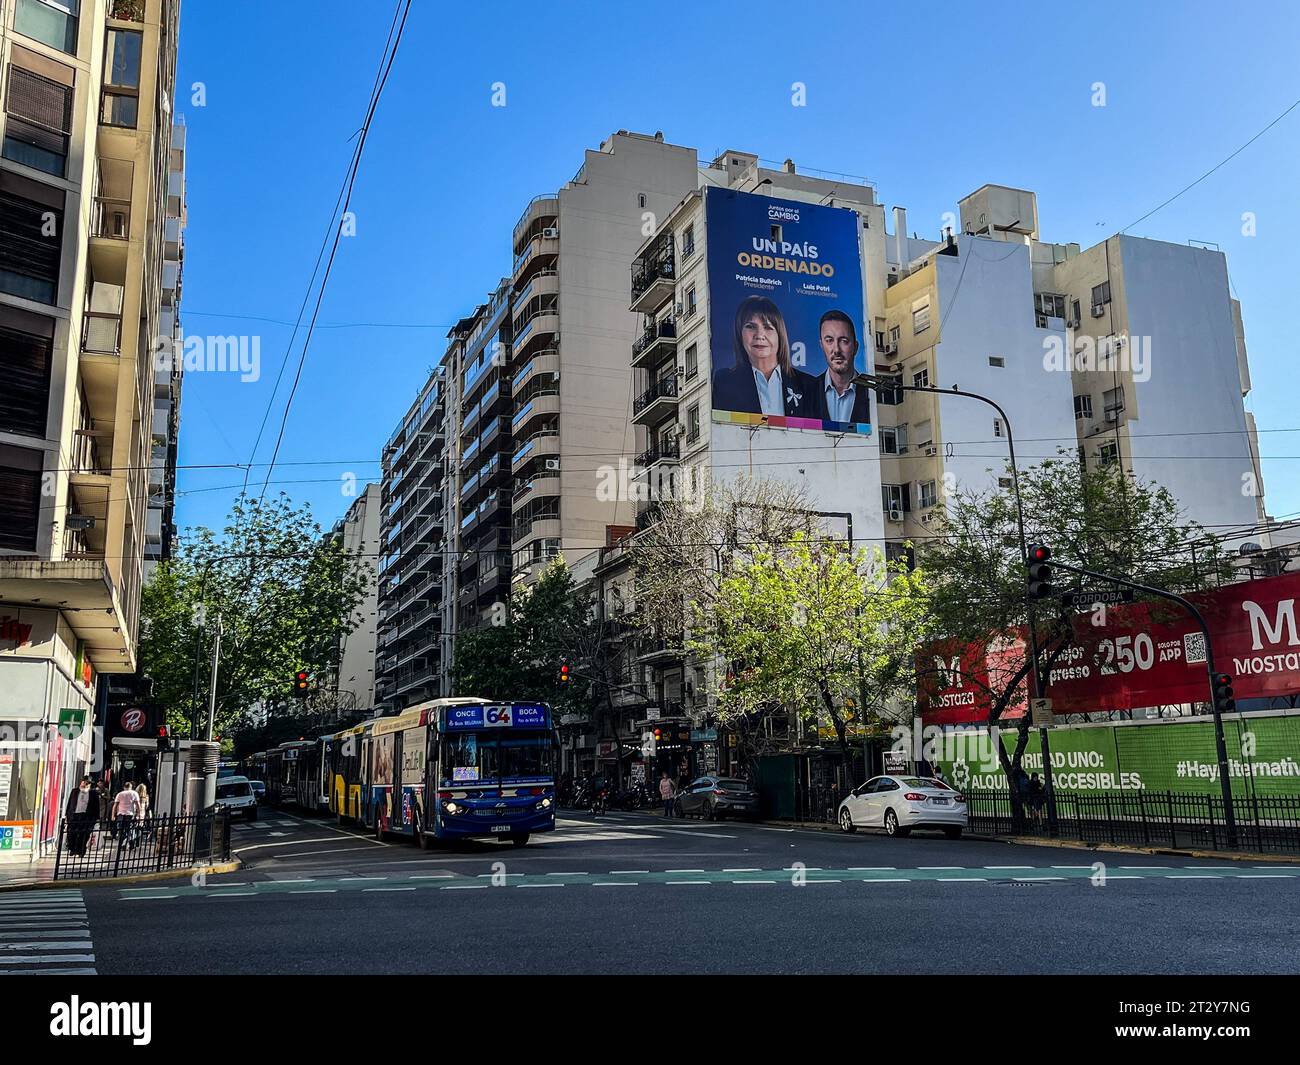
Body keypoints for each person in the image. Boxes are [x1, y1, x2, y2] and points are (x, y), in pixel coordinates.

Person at [711, 295, 821, 419]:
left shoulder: (809, 385)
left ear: (780, 335)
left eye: (768, 327)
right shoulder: (725, 382)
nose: (759, 335)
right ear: (739, 333)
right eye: (751, 327)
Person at [813, 310, 871, 424]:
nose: (836, 350)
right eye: (829, 341)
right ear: (821, 345)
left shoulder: (870, 392)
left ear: (855, 347)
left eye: (844, 341)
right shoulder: (808, 392)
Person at [64, 776, 99, 857]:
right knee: (71, 833)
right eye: (84, 782)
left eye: (87, 783)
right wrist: (67, 815)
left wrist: (96, 819)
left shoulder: (93, 794)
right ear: (81, 782)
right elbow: (70, 803)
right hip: (74, 815)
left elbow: (96, 807)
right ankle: (72, 849)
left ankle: (81, 850)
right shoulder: (75, 791)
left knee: (84, 834)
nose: (85, 785)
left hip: (86, 816)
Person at [112, 782, 141, 848]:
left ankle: (123, 843)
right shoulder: (134, 793)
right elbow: (138, 805)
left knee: (121, 829)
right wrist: (138, 814)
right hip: (130, 814)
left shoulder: (120, 794)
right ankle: (131, 841)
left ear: (124, 787)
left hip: (121, 813)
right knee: (130, 828)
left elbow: (115, 805)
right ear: (131, 787)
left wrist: (113, 815)